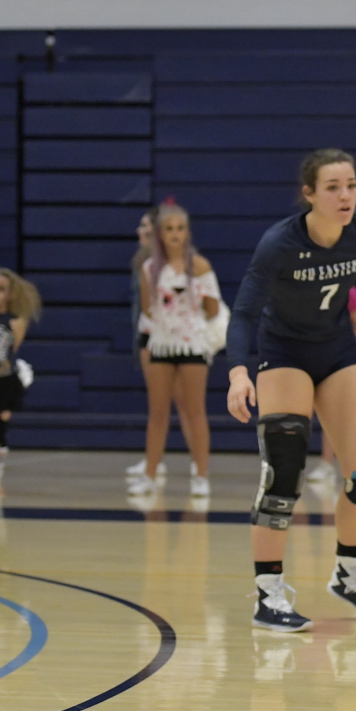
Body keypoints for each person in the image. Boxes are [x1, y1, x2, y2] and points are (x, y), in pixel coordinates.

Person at [227, 148, 356, 632]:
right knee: (284, 474)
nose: (345, 195)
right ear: (309, 195)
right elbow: (242, 313)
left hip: (339, 353)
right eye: (333, 187)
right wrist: (238, 373)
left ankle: (350, 573)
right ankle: (268, 593)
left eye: (351, 185)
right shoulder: (279, 244)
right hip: (284, 356)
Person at [128, 203, 221, 498]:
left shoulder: (201, 266)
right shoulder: (150, 269)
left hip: (193, 344)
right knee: (158, 413)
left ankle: (201, 476)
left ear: (187, 232)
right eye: (168, 229)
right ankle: (150, 475)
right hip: (162, 343)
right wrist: (168, 325)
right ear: (159, 234)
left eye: (180, 229)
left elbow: (213, 307)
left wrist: (189, 324)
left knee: (195, 412)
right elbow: (147, 308)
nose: (175, 235)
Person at [126, 208, 196, 483]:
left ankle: (196, 462)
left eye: (145, 226)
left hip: (176, 339)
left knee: (185, 402)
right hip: (149, 335)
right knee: (158, 405)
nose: (140, 231)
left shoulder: (186, 263)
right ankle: (154, 461)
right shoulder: (144, 262)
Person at [0, 267, 41, 495]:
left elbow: (10, 351)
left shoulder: (16, 321)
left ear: (10, 294)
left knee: (1, 424)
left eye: (1, 290)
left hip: (4, 380)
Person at [307, 286, 356, 488]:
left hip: (338, 358)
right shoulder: (300, 283)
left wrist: (339, 347)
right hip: (305, 351)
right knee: (301, 410)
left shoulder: (347, 289)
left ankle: (329, 463)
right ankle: (295, 465)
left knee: (335, 412)